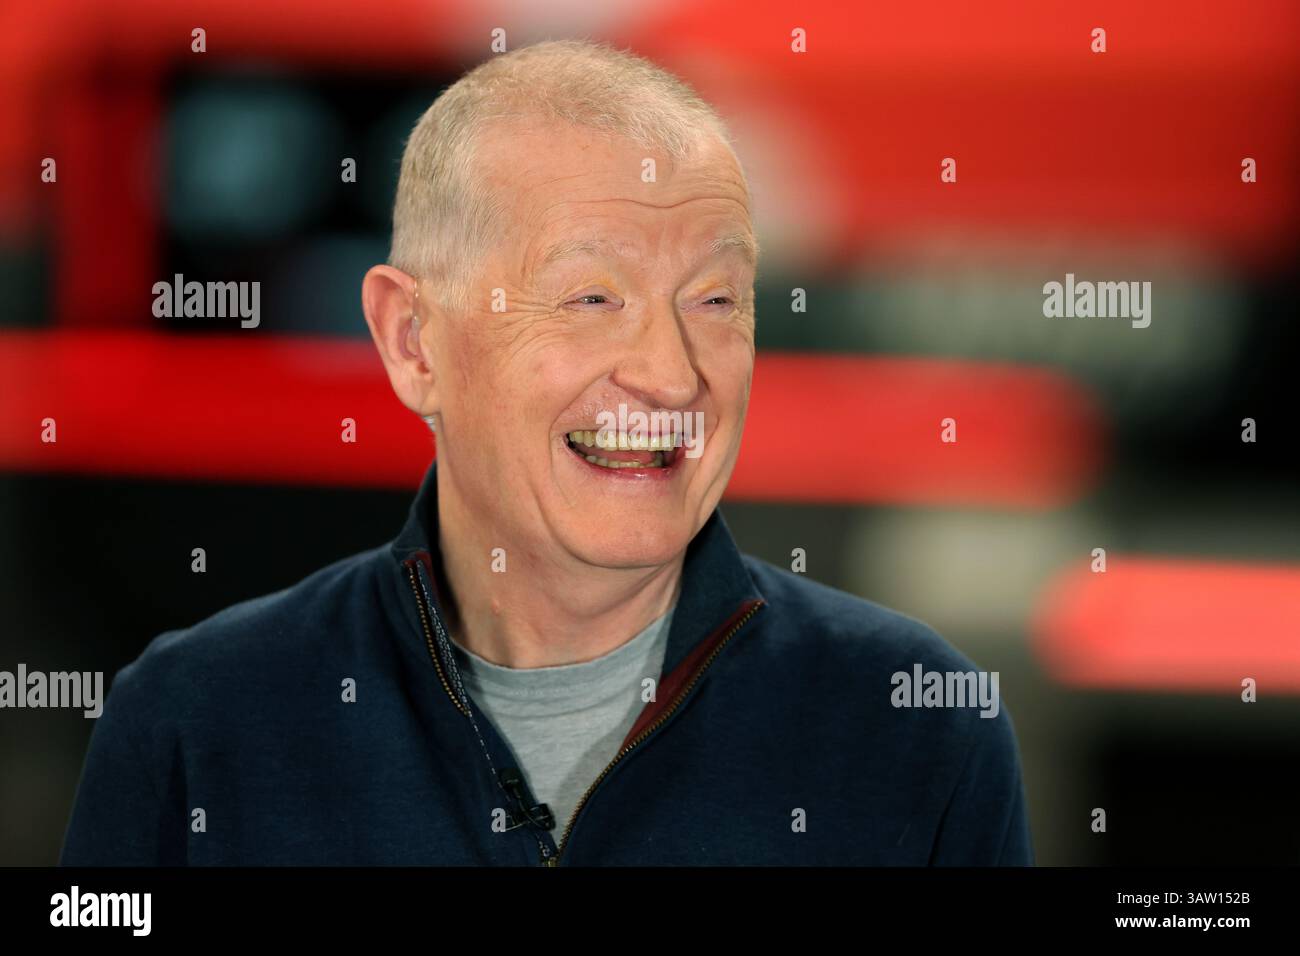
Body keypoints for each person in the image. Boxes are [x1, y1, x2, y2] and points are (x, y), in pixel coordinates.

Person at [60, 38, 1032, 866]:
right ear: (412, 340)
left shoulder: (914, 728)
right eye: (591, 298)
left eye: (715, 300)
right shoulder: (194, 722)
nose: (669, 373)